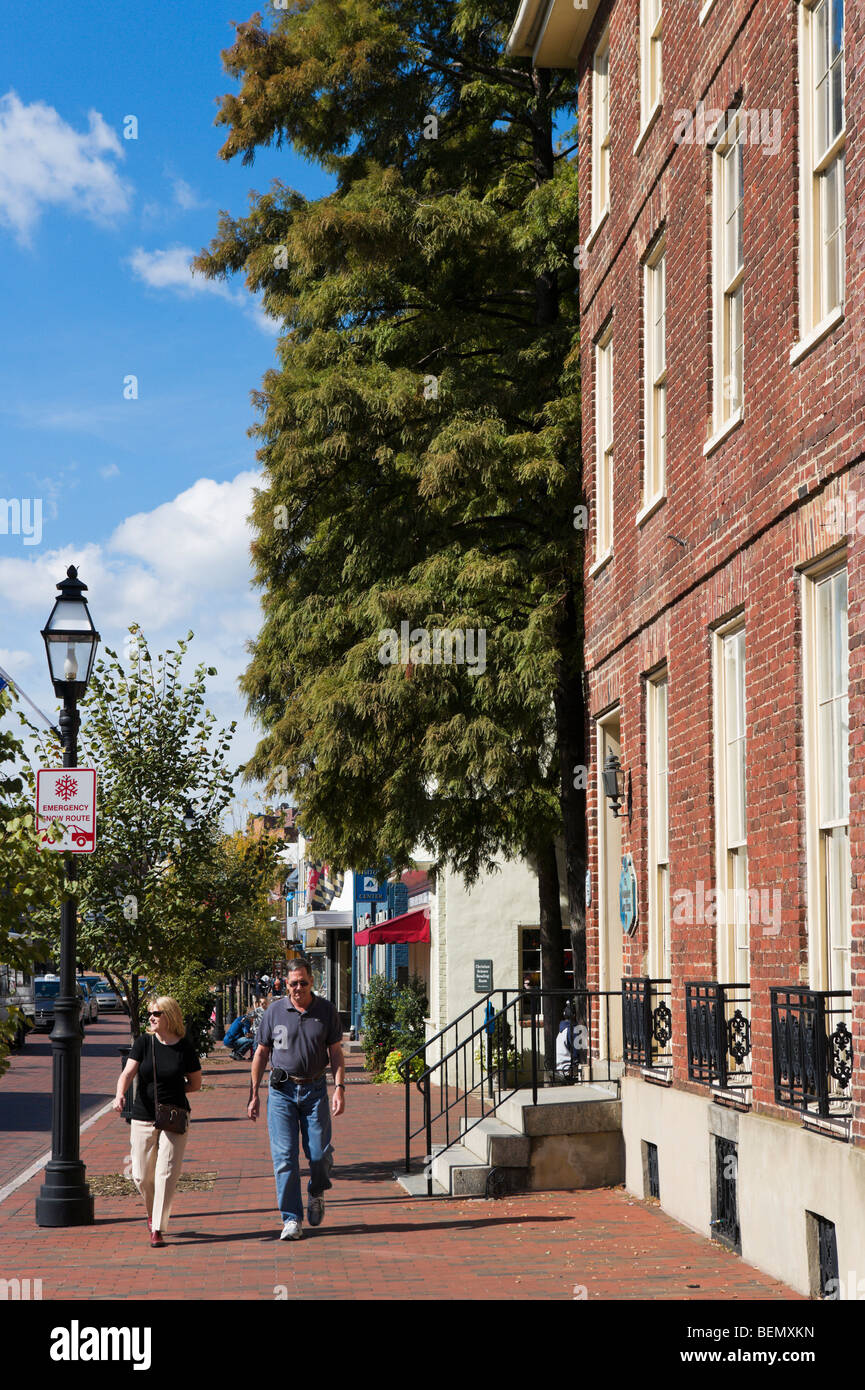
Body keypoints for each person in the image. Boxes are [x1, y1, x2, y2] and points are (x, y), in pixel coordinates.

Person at [248, 958, 344, 1240]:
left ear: (311, 981)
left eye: (303, 982)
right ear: (285, 985)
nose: (298, 987)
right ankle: (291, 1218)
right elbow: (261, 1053)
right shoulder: (274, 1011)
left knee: (318, 1154)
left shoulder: (325, 1011)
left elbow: (336, 1052)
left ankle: (316, 1190)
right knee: (285, 1159)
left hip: (315, 1090)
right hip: (281, 1093)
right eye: (293, 983)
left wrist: (339, 1087)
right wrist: (253, 1094)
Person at [113, 996, 202, 1248]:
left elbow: (195, 1084)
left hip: (174, 1116)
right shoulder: (143, 1043)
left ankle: (158, 1227)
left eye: (156, 1013)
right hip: (142, 1115)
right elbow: (128, 1073)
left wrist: (174, 1090)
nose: (151, 1017)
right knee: (141, 1175)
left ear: (170, 1016)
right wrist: (120, 1094)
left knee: (166, 1173)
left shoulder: (184, 1048)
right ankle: (152, 1213)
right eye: (150, 1013)